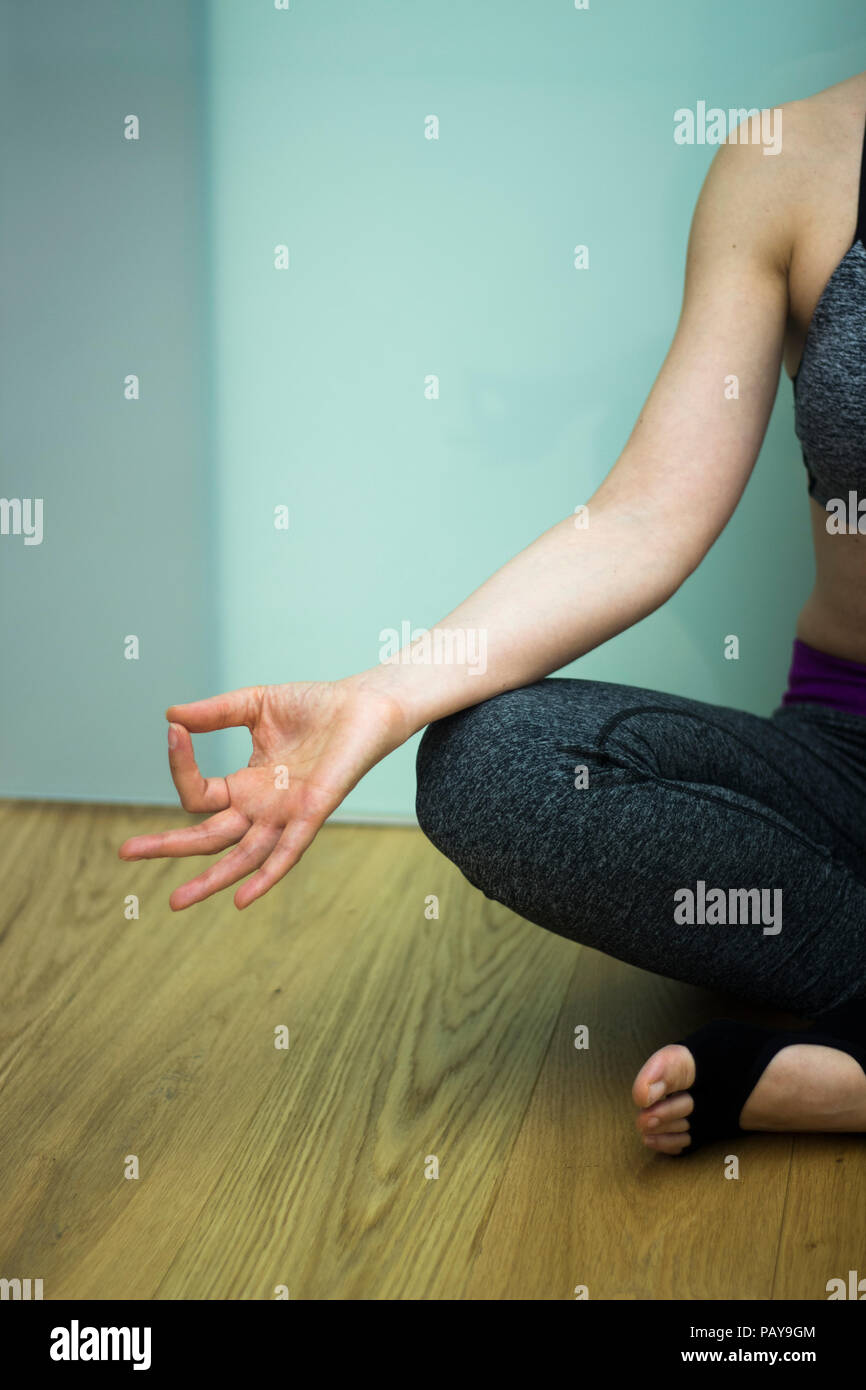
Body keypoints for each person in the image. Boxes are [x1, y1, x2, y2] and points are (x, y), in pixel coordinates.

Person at [120, 74, 866, 1156]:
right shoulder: (787, 161)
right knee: (489, 760)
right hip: (840, 763)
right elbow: (643, 516)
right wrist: (377, 701)